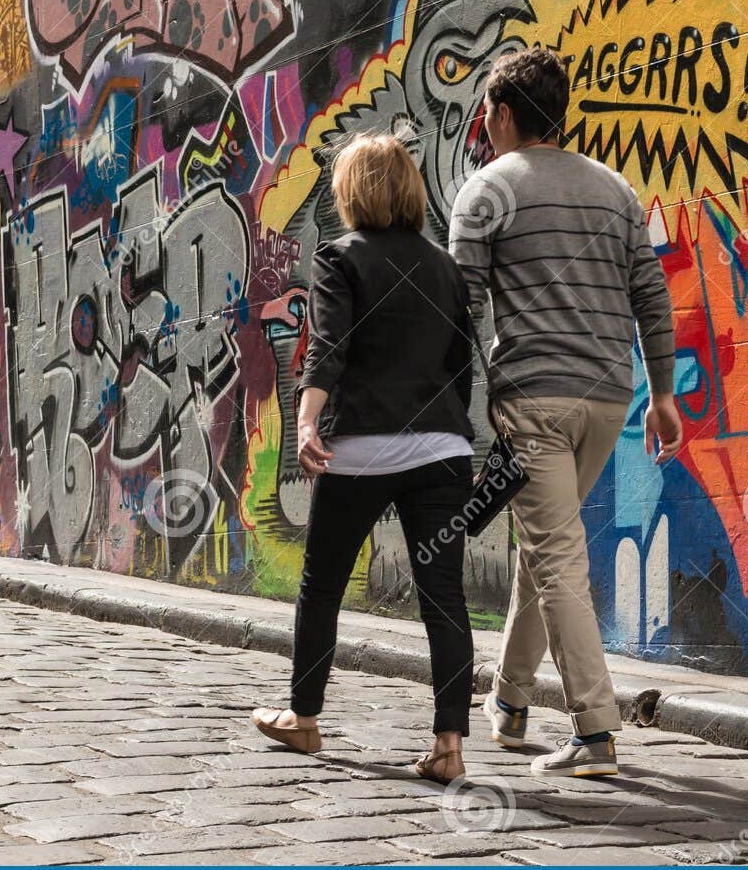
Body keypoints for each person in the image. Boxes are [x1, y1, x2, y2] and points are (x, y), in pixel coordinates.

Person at [449, 46, 682, 778]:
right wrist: (665, 393)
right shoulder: (616, 190)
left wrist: (452, 412)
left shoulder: (484, 190)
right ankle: (510, 702)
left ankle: (594, 729)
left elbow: (462, 311)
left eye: (487, 114)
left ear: (507, 114)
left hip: (533, 404)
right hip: (609, 402)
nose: (483, 127)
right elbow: (652, 294)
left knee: (555, 559)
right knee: (542, 550)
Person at [251, 134, 478, 783]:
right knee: (444, 598)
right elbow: (461, 365)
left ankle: (304, 717)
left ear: (349, 193)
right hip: (443, 447)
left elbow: (329, 344)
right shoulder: (445, 265)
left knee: (322, 585)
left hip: (360, 449)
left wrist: (306, 416)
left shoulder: (339, 257)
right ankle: (449, 745)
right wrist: (453, 434)